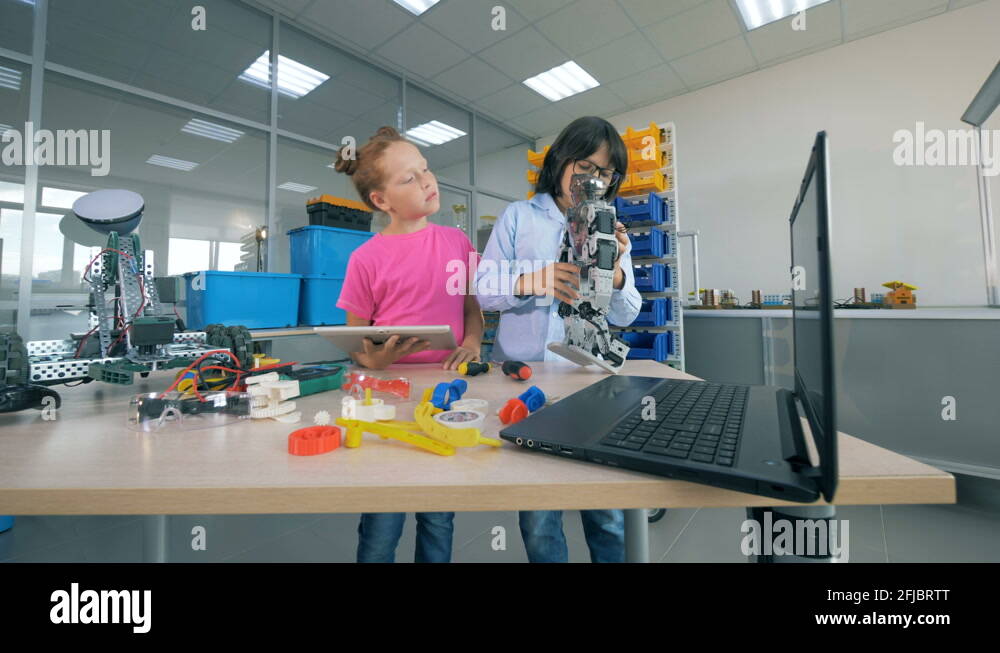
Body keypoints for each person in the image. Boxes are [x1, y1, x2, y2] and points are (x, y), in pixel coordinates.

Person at [475, 116, 642, 562]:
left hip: (589, 385)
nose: (593, 180)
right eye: (584, 167)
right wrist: (536, 279)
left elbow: (628, 314)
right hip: (526, 383)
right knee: (539, 518)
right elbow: (484, 291)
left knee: (606, 513)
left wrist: (618, 272)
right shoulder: (519, 217)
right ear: (560, 161)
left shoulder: (610, 228)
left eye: (606, 174)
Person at [334, 125, 484, 562]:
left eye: (425, 169)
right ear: (381, 201)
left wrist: (473, 343)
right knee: (383, 519)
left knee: (438, 517)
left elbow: (471, 308)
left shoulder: (456, 242)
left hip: (446, 393)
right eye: (408, 179)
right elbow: (355, 341)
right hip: (385, 399)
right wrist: (373, 359)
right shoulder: (365, 258)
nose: (426, 182)